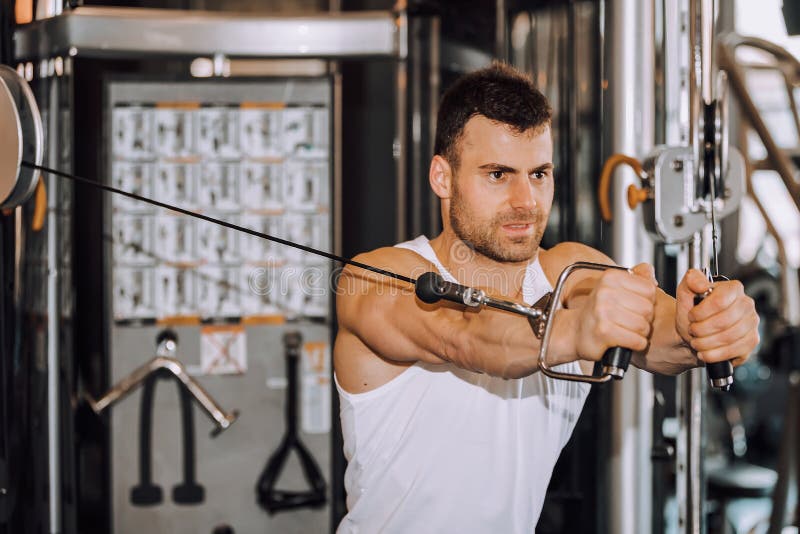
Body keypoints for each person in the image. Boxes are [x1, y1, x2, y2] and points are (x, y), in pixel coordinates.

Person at [333, 63, 760, 533]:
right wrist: (577, 328)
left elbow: (661, 333)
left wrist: (706, 328)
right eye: (498, 174)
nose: (526, 200)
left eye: (539, 173)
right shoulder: (377, 279)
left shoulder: (570, 274)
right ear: (443, 176)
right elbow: (466, 337)